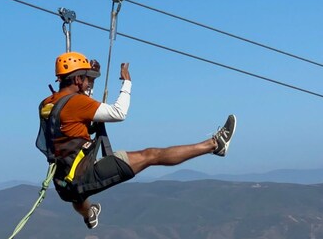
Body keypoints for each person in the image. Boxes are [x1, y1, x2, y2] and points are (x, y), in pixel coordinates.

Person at [39, 52, 236, 229]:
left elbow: (76, 111)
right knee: (151, 155)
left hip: (63, 180)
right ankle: (215, 145)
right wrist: (127, 83)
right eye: (85, 78)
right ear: (78, 79)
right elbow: (118, 113)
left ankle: (89, 214)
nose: (87, 82)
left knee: (79, 195)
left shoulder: (47, 104)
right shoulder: (77, 103)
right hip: (84, 175)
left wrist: (90, 82)